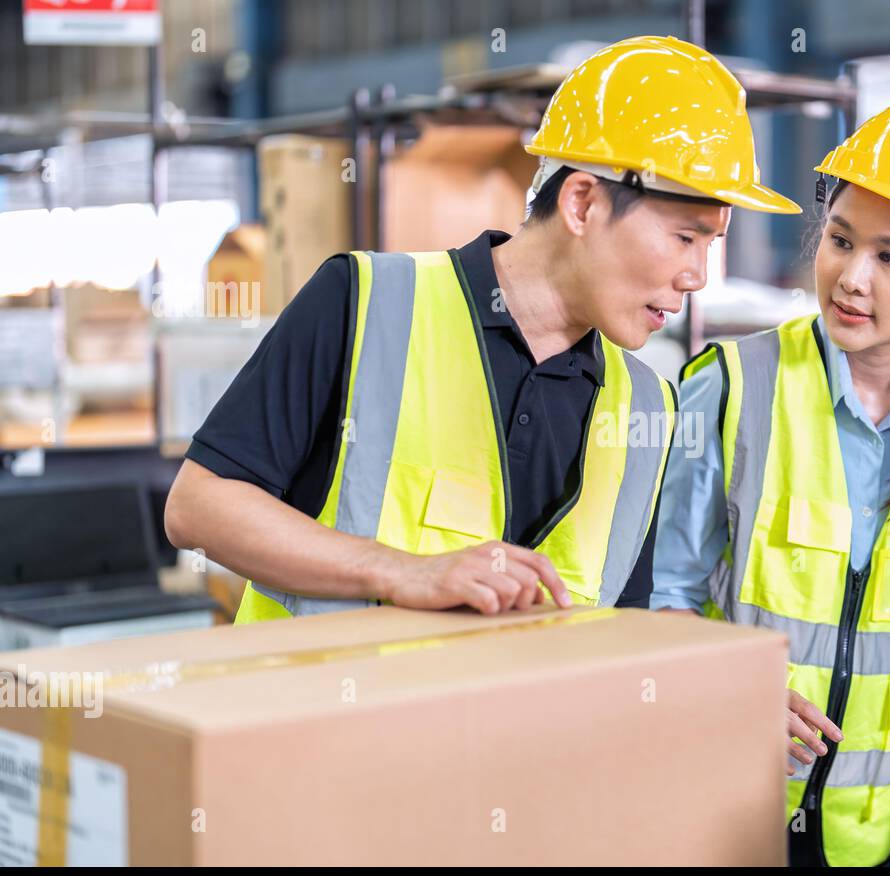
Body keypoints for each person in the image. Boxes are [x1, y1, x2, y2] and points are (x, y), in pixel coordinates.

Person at [164, 35, 800, 623]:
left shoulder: (646, 408)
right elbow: (198, 507)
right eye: (685, 238)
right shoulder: (367, 303)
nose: (697, 276)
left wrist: (728, 682)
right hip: (329, 735)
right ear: (582, 202)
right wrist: (401, 573)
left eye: (711, 244)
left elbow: (620, 632)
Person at [652, 91, 890, 867]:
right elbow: (661, 599)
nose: (850, 278)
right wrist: (732, 694)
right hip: (729, 815)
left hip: (877, 833)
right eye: (838, 240)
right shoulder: (735, 383)